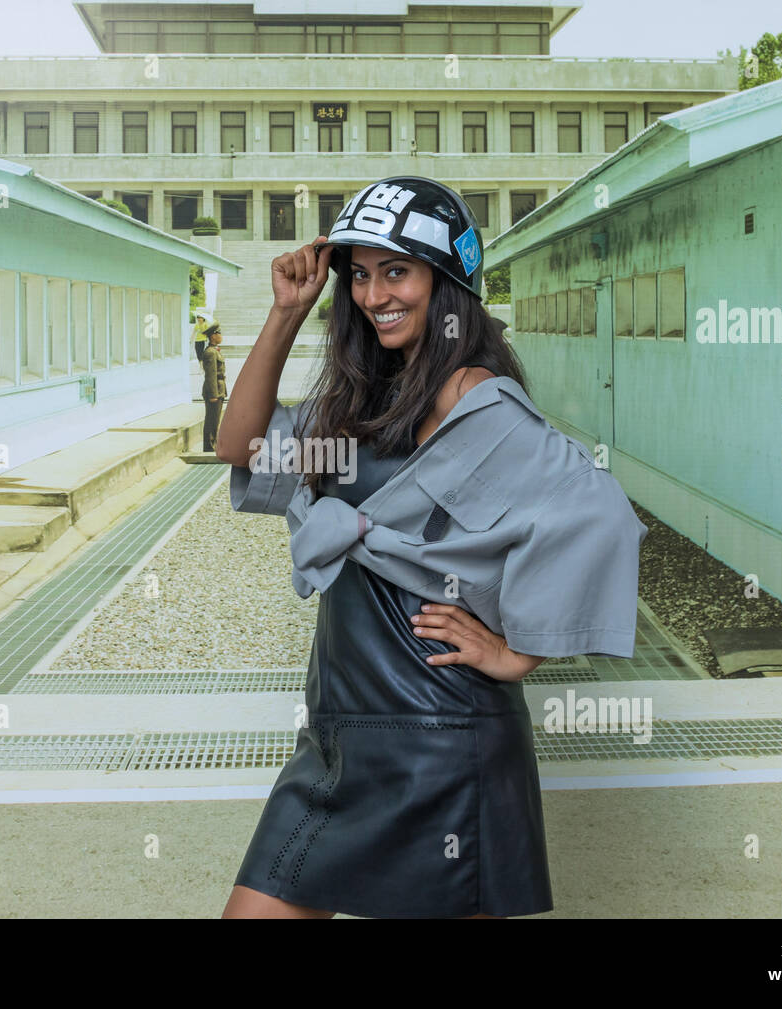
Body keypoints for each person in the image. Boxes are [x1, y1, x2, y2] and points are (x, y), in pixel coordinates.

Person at [217, 176, 642, 919]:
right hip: (340, 731)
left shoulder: (471, 392)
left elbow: (594, 508)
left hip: (443, 735)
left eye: (397, 271)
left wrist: (515, 654)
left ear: (446, 281)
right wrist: (287, 313)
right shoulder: (354, 396)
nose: (374, 293)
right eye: (359, 274)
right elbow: (242, 447)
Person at [200, 323, 227, 452]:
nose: (221, 336)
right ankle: (209, 447)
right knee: (212, 419)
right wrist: (213, 395)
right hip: (214, 391)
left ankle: (213, 444)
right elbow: (211, 375)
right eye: (219, 333)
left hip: (218, 389)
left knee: (215, 420)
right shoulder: (210, 353)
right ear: (213, 336)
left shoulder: (214, 351)